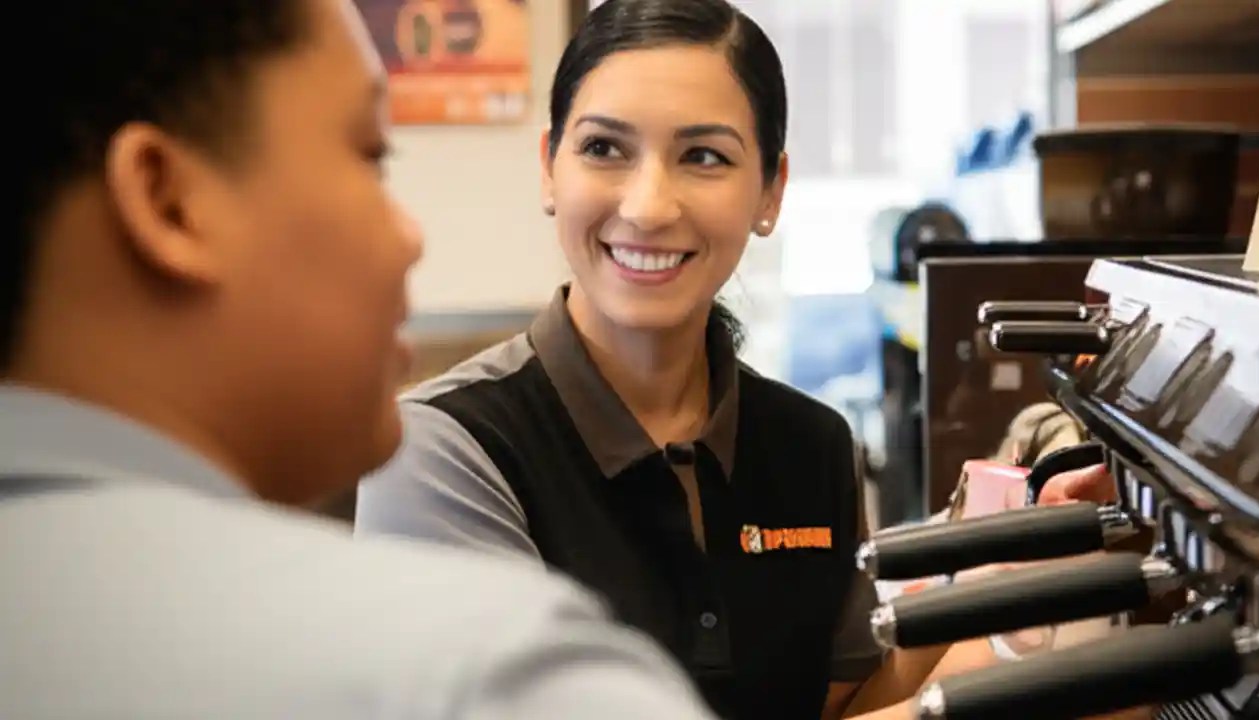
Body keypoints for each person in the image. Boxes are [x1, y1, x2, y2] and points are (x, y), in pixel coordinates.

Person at [1, 2, 737, 718]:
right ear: (169, 202)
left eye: (705, 156)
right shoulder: (482, 675)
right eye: (371, 155)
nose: (409, 237)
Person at [355, 1, 999, 718]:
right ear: (549, 167)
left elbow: (839, 706)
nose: (649, 205)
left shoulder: (814, 447)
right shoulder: (445, 450)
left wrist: (990, 583)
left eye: (704, 156)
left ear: (771, 191)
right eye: (604, 148)